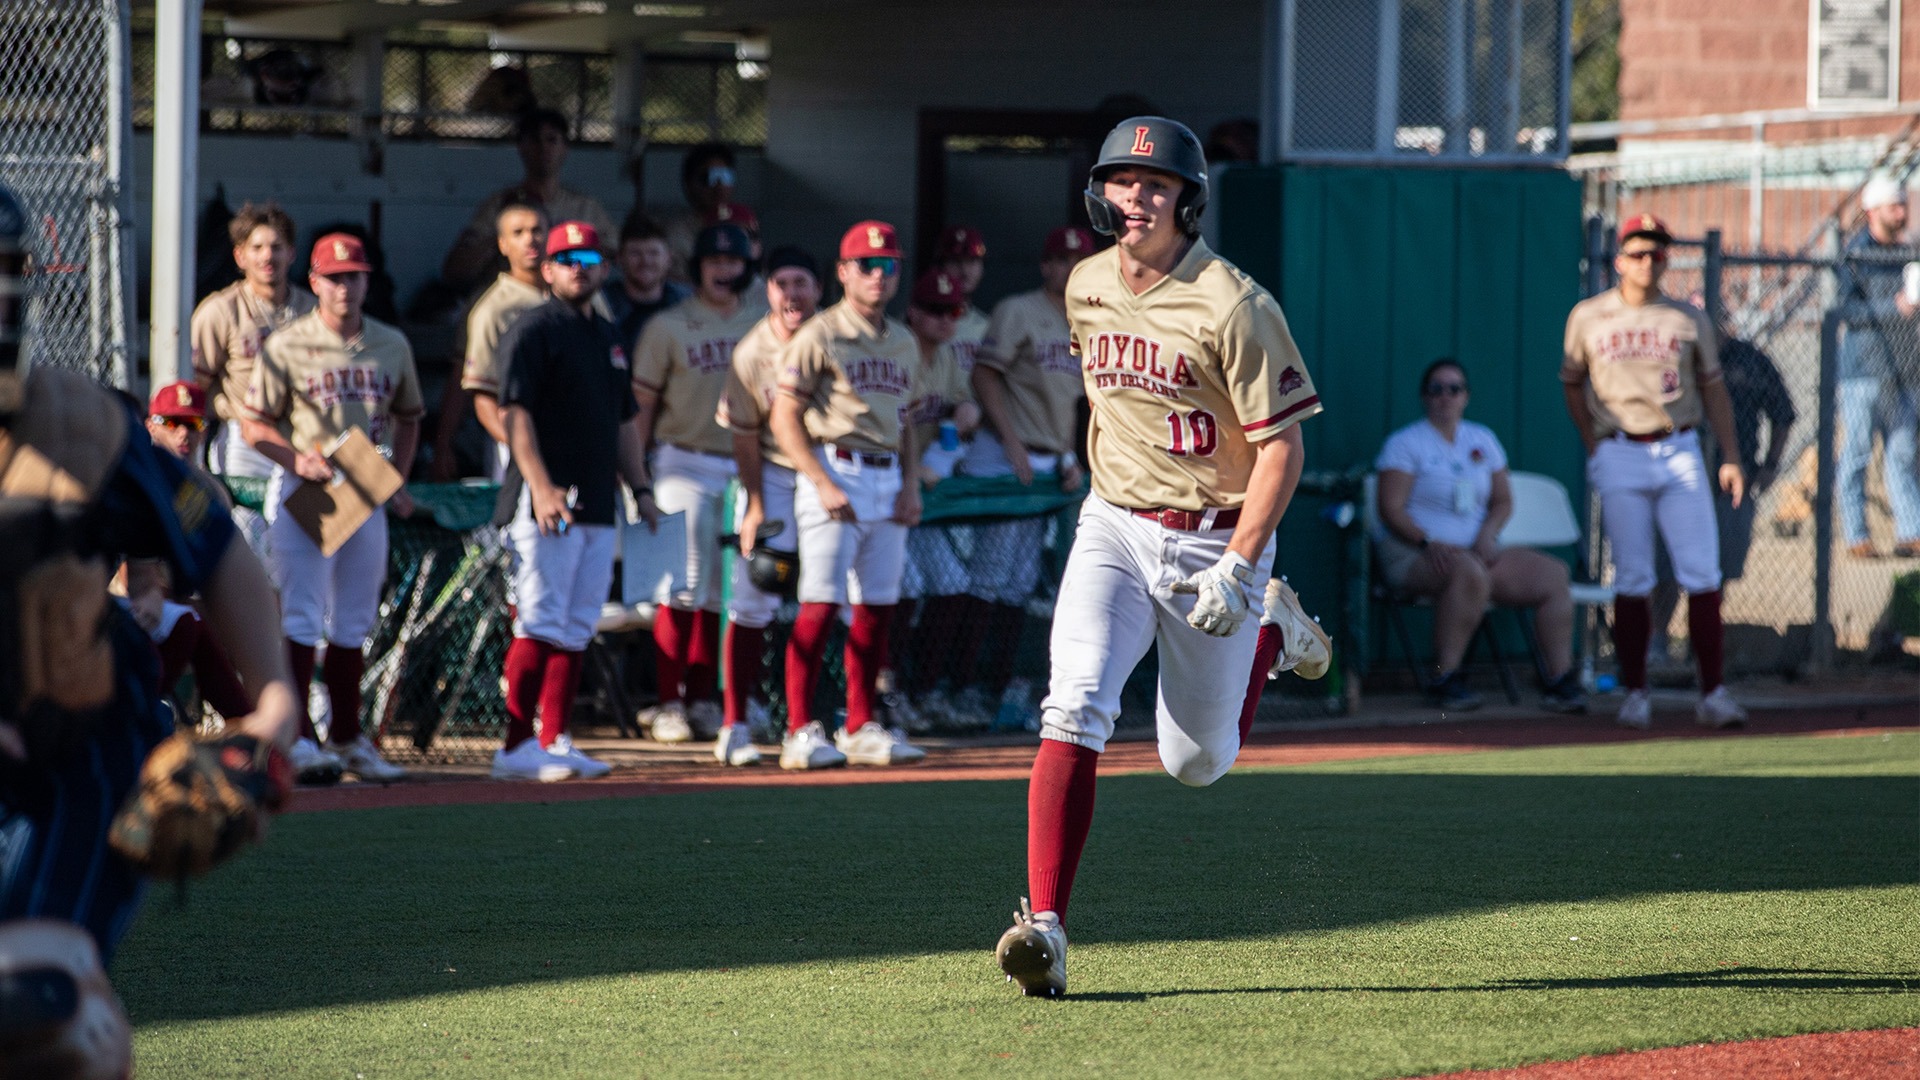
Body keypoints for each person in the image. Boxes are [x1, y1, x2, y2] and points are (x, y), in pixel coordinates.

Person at [993, 117, 1328, 998]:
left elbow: (1284, 450)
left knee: (1197, 762)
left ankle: (1268, 629)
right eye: (1121, 181)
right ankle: (1047, 928)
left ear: (1188, 197)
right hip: (1113, 523)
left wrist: (1243, 567)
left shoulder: (1235, 303)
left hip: (1217, 533)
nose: (1135, 197)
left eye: (1155, 184)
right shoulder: (1086, 283)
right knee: (1073, 706)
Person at [0, 180, 298, 1077]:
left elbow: (220, 556)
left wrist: (275, 712)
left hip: (72, 764)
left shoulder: (83, 427)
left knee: (33, 1013)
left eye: (7, 271)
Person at [242, 232, 423, 783]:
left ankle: (347, 737)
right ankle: (297, 738)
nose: (346, 286)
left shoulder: (390, 343)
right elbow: (253, 424)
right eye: (335, 277)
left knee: (353, 620)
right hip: (307, 488)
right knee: (301, 614)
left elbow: (410, 415)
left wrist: (397, 478)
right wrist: (295, 459)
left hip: (364, 487)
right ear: (315, 282)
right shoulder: (288, 343)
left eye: (355, 276)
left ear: (368, 281)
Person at [1560, 213, 1747, 731]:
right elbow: (1571, 382)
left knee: (1702, 572)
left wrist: (1730, 455)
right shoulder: (1589, 316)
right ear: (1619, 260)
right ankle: (1635, 691)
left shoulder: (1687, 318)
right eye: (1639, 253)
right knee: (1634, 574)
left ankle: (1713, 692)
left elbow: (1713, 389)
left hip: (1678, 444)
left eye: (1659, 253)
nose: (1649, 262)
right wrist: (1591, 441)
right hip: (1619, 446)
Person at [492, 221, 657, 782]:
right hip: (545, 500)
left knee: (576, 623)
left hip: (596, 501)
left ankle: (554, 739)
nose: (578, 266)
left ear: (603, 267)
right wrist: (539, 485)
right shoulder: (534, 329)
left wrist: (642, 490)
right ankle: (515, 747)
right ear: (547, 269)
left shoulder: (607, 335)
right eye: (566, 258)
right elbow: (514, 413)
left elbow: (625, 423)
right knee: (538, 620)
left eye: (587, 256)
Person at [771, 220, 928, 769]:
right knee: (818, 603)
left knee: (878, 607)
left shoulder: (904, 339)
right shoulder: (820, 332)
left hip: (886, 474)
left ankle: (860, 724)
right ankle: (798, 728)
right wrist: (819, 480)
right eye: (867, 265)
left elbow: (906, 421)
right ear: (842, 272)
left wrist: (911, 484)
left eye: (888, 266)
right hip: (835, 468)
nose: (879, 276)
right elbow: (783, 414)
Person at [1373, 359, 1585, 713]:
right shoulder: (1405, 443)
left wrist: (1488, 535)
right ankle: (1445, 677)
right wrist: (1428, 543)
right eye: (1436, 389)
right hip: (1415, 553)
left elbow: (1502, 500)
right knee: (1467, 572)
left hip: (1479, 551)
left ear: (1466, 396)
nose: (1445, 396)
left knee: (1554, 575)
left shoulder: (1482, 438)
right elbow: (1390, 509)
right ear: (1424, 397)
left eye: (1454, 388)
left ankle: (1558, 679)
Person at [958, 226, 1096, 731]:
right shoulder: (1019, 309)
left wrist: (1073, 456)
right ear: (1045, 265)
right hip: (1002, 454)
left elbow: (1085, 402)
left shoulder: (1090, 317)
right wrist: (1012, 441)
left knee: (1018, 585)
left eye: (1077, 259)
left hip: (1050, 460)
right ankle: (959, 685)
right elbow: (983, 375)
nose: (1067, 268)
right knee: (986, 580)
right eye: (1059, 259)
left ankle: (996, 689)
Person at [630, 222, 763, 744]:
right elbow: (642, 404)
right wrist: (636, 472)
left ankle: (704, 700)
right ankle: (668, 703)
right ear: (698, 268)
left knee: (720, 589)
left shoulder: (762, 320)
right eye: (714, 262)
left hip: (744, 463)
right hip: (683, 459)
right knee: (682, 582)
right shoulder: (669, 324)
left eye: (732, 262)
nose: (724, 270)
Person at [717, 246, 824, 764]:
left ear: (819, 289)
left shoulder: (835, 335)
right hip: (776, 474)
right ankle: (735, 723)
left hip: (830, 473)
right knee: (755, 595)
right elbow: (743, 439)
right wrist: (755, 504)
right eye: (782, 283)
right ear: (768, 290)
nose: (792, 293)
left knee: (829, 598)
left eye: (801, 281)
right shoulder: (751, 350)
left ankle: (812, 723)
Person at [1652, 322, 1797, 653]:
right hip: (1676, 483)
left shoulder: (1750, 359)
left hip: (1730, 483)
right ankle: (1656, 643)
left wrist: (1771, 464)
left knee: (1716, 572)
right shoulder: (1674, 357)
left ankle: (1699, 646)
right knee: (1665, 568)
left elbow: (1784, 414)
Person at [126, 381, 255, 721]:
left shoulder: (211, 489)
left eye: (193, 424)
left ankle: (260, 730)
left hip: (177, 605)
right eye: (172, 423)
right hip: (129, 611)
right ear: (151, 425)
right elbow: (128, 578)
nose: (184, 434)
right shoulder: (132, 482)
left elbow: (220, 574)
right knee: (189, 621)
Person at [190, 201, 315, 550]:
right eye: (257, 248)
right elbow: (196, 390)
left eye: (276, 247)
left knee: (301, 544)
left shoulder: (312, 310)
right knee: (249, 541)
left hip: (302, 438)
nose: (267, 256)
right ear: (239, 256)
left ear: (291, 253)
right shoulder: (221, 310)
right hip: (245, 442)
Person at [894, 269, 982, 726]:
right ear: (913, 311)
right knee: (901, 588)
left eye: (954, 312)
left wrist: (964, 411)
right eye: (935, 310)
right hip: (888, 483)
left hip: (922, 489)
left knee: (951, 584)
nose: (946, 320)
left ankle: (922, 691)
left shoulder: (946, 357)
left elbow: (961, 408)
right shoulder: (897, 348)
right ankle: (886, 692)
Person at [440, 109, 616, 297]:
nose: (543, 148)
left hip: (567, 301)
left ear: (565, 147)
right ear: (521, 147)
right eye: (534, 140)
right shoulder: (499, 205)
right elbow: (455, 270)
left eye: (552, 140)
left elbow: (618, 253)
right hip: (511, 298)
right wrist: (503, 238)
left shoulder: (585, 207)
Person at [1835, 175, 1920, 560]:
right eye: (1894, 207)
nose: (1901, 213)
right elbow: (1844, 310)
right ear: (1873, 211)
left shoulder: (1908, 254)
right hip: (1862, 373)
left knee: (1903, 454)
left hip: (1903, 373)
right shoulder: (1855, 255)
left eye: (1903, 205)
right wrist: (1893, 308)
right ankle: (1856, 536)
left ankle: (1910, 533)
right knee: (1856, 454)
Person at [444, 202, 548, 481]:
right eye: (518, 232)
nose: (530, 239)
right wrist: (521, 448)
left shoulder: (579, 295)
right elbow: (482, 398)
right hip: (517, 441)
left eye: (537, 230)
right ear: (502, 244)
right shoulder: (492, 309)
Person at [602, 212, 691, 356]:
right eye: (635, 253)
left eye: (654, 253)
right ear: (619, 259)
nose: (645, 262)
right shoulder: (601, 304)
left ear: (669, 259)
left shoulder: (688, 302)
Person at [663, 142, 738, 282]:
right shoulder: (677, 233)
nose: (719, 186)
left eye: (725, 177)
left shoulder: (741, 226)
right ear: (689, 184)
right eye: (709, 178)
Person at [934, 225, 991, 373]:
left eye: (971, 261)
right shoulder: (921, 322)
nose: (964, 270)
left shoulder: (989, 327)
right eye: (955, 261)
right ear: (941, 267)